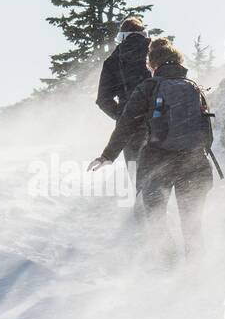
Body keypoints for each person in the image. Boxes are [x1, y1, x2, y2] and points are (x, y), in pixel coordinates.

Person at [89, 38, 218, 261]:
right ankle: (196, 275)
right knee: (192, 223)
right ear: (179, 62)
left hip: (159, 164)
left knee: (155, 219)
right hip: (196, 164)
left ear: (151, 65)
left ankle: (170, 269)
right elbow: (207, 132)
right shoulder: (194, 87)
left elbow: (126, 124)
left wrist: (107, 156)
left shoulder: (148, 87)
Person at [95, 16, 152, 168]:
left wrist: (124, 116)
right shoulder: (156, 53)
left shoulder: (112, 61)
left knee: (140, 181)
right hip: (162, 124)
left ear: (121, 37)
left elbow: (103, 99)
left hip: (131, 130)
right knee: (168, 176)